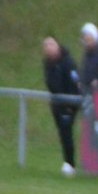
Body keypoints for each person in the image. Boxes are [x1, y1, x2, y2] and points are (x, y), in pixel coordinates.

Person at [42, 36, 80, 176]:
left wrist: (71, 105)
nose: (48, 48)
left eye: (51, 44)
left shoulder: (67, 61)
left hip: (68, 104)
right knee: (62, 133)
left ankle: (70, 164)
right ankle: (67, 161)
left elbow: (74, 82)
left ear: (57, 45)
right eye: (45, 45)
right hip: (57, 103)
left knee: (66, 132)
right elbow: (49, 81)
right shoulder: (47, 63)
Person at [80, 23, 98, 91]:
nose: (87, 44)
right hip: (88, 93)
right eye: (85, 41)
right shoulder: (86, 56)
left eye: (89, 41)